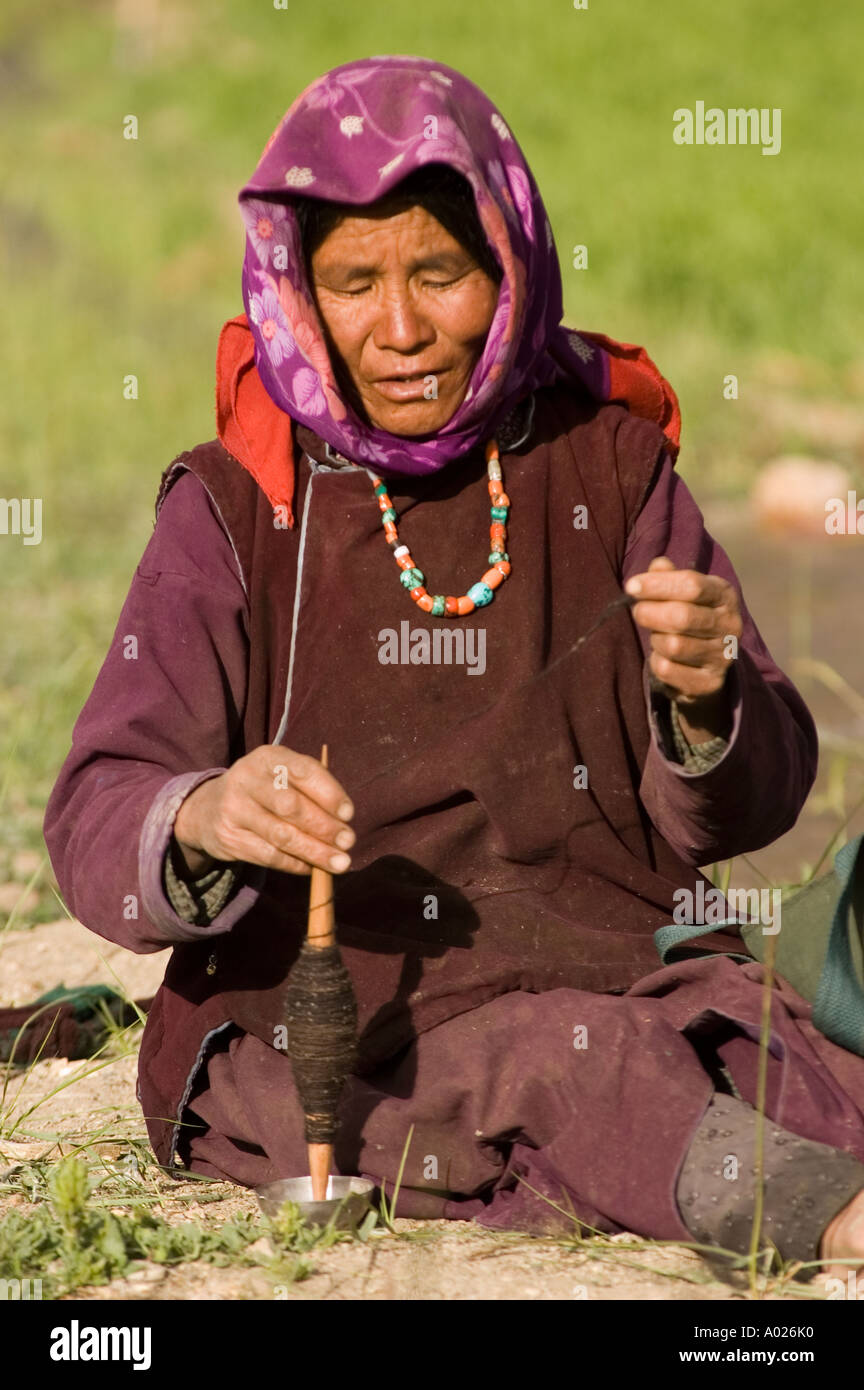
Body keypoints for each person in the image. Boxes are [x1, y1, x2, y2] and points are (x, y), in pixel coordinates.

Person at [44, 55, 864, 1279]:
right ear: (298, 296)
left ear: (511, 265)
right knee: (574, 1073)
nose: (403, 328)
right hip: (330, 1026)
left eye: (440, 272)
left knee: (779, 1051)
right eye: (354, 283)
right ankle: (830, 1222)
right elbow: (100, 803)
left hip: (620, 961)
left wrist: (704, 705)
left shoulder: (614, 465)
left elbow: (745, 807)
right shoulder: (238, 505)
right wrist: (207, 813)